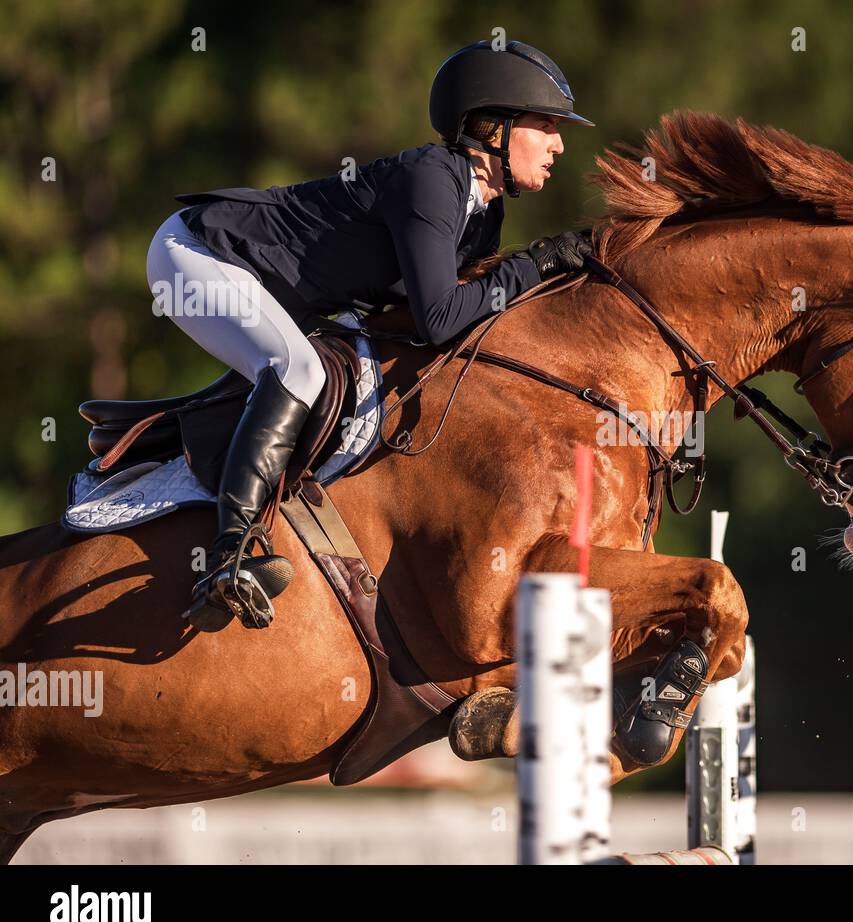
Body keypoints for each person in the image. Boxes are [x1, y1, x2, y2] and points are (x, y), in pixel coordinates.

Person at [145, 39, 594, 632]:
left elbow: (448, 320)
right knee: (297, 369)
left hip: (268, 284)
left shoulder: (483, 213)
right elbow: (439, 317)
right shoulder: (433, 180)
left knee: (311, 366)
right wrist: (533, 265)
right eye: (547, 126)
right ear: (495, 126)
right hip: (197, 252)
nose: (559, 144)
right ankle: (229, 553)